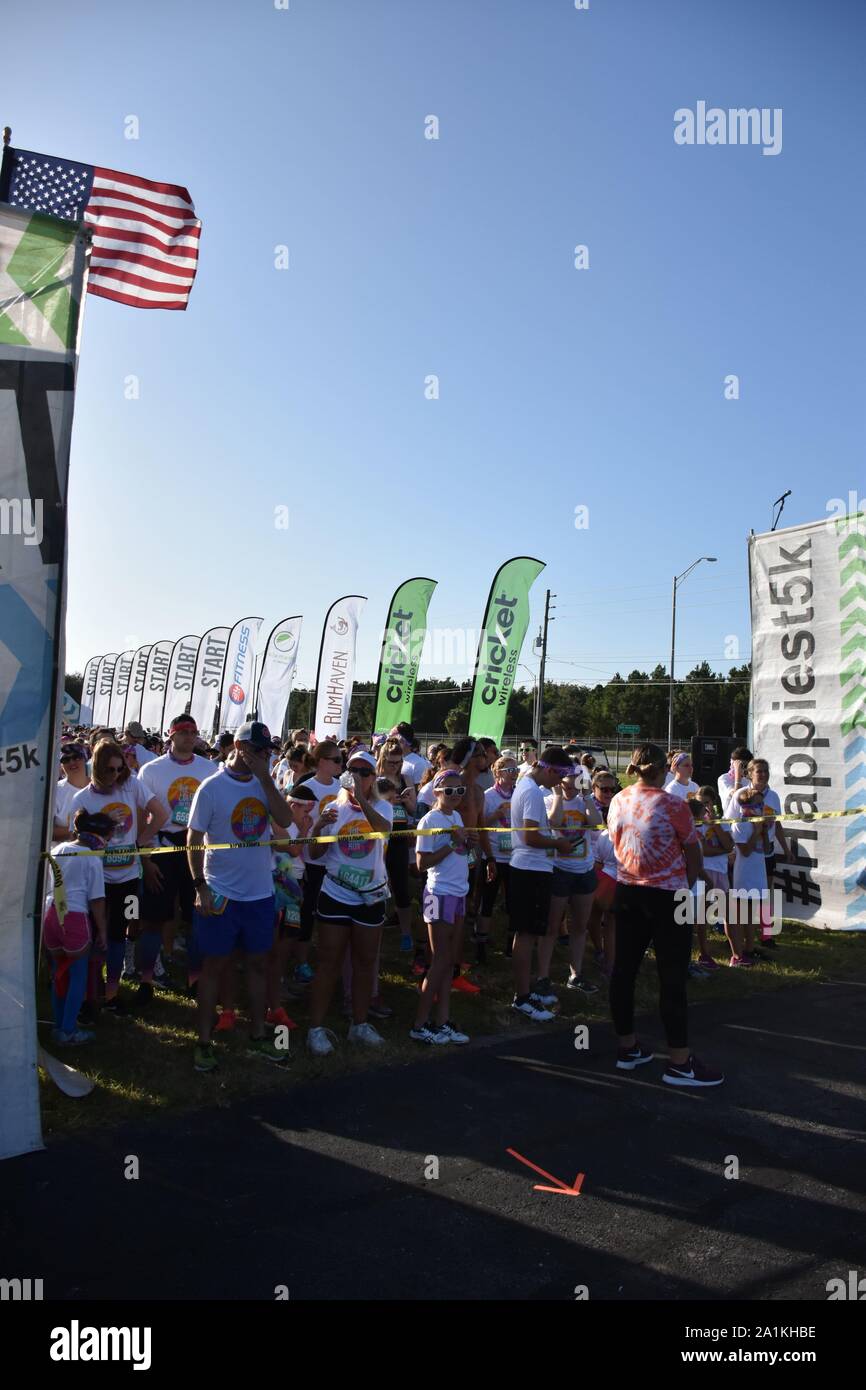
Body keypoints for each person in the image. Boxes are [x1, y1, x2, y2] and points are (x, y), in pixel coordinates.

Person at [606, 744, 723, 1087]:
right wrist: (683, 885)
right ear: (663, 771)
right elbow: (694, 855)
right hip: (668, 896)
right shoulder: (674, 805)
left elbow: (615, 843)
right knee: (672, 979)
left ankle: (627, 1048)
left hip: (627, 891)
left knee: (623, 972)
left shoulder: (618, 799)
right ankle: (679, 1062)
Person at [186, 721, 297, 1073]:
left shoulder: (266, 784)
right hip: (220, 892)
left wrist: (265, 778)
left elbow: (286, 819)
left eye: (267, 752)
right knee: (214, 967)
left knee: (259, 964)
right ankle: (203, 1043)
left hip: (260, 893)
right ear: (238, 746)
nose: (263, 757)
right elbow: (193, 840)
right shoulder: (211, 787)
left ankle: (260, 1035)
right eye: (257, 750)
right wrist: (200, 886)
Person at [305, 748, 394, 1055]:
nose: (357, 776)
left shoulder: (384, 807)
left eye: (365, 772)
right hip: (336, 892)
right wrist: (317, 829)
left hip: (370, 895)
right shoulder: (331, 807)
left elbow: (384, 831)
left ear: (374, 778)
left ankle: (359, 1024)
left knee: (365, 963)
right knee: (328, 962)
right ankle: (315, 1029)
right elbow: (314, 855)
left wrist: (361, 799)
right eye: (352, 770)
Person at [69, 740, 168, 1014]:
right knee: (92, 937)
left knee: (118, 934)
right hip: (96, 882)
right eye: (109, 770)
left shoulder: (131, 784)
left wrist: (141, 842)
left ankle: (112, 992)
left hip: (127, 878)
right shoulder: (82, 799)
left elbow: (161, 813)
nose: (115, 775)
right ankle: (90, 992)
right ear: (97, 769)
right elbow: (75, 840)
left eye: (119, 769)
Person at [136, 714, 219, 1003]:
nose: (188, 736)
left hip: (197, 849)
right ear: (170, 735)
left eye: (193, 732)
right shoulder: (151, 770)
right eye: (182, 731)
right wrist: (146, 860)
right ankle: (145, 979)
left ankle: (195, 979)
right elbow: (142, 818)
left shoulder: (210, 769)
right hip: (163, 848)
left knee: (198, 916)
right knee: (153, 919)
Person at [509, 746, 576, 1020]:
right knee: (525, 935)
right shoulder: (534, 792)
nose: (558, 783)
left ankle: (525, 991)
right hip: (530, 869)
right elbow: (530, 837)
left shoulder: (528, 786)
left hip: (530, 868)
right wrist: (558, 843)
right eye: (558, 776)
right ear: (548, 769)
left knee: (529, 934)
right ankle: (522, 997)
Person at [410, 770, 472, 1044]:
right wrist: (452, 843)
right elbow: (421, 864)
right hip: (439, 894)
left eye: (460, 791)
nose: (456, 796)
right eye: (449, 791)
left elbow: (459, 851)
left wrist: (466, 847)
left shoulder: (456, 817)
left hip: (459, 893)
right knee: (439, 962)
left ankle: (442, 1020)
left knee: (449, 963)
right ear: (436, 792)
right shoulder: (429, 820)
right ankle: (420, 1024)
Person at [43, 809, 111, 1045]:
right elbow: (97, 901)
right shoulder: (92, 859)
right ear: (101, 836)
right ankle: (68, 1030)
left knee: (58, 973)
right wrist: (102, 931)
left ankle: (59, 1024)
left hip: (51, 915)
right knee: (77, 976)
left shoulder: (58, 848)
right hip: (74, 917)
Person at [545, 763, 602, 997]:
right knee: (551, 927)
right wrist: (558, 795)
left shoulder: (584, 800)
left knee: (580, 926)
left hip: (584, 869)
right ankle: (543, 976)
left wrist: (588, 795)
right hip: (559, 868)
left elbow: (596, 823)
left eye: (574, 784)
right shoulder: (549, 799)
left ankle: (575, 974)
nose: (569, 788)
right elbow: (555, 823)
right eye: (565, 783)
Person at [294, 740, 344, 983]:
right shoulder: (306, 785)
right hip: (309, 859)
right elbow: (293, 819)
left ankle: (327, 958)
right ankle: (301, 962)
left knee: (331, 915)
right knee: (307, 912)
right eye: (336, 760)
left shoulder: (342, 787)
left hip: (335, 859)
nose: (340, 764)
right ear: (322, 761)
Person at [694, 786, 742, 966]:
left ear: (713, 803)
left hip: (721, 873)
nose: (704, 807)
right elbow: (703, 851)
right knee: (701, 916)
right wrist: (722, 849)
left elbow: (729, 845)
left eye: (706, 802)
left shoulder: (722, 822)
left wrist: (715, 826)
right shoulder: (695, 824)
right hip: (703, 873)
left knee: (730, 915)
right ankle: (704, 954)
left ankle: (737, 956)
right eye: (700, 803)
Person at [476, 754, 519, 957]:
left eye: (516, 770)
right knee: (488, 900)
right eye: (510, 770)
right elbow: (478, 825)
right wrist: (495, 816)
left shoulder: (519, 794)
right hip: (492, 856)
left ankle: (511, 946)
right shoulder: (488, 796)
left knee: (513, 902)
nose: (515, 774)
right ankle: (481, 946)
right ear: (498, 773)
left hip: (515, 858)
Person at [377, 739, 417, 951]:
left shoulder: (406, 778)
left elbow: (414, 809)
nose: (395, 766)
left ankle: (406, 934)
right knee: (378, 884)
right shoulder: (375, 779)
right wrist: (387, 802)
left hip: (400, 837)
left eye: (398, 762)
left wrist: (405, 801)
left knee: (401, 886)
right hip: (381, 838)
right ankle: (375, 927)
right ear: (383, 760)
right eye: (391, 762)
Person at [54, 744, 89, 841]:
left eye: (76, 757)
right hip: (66, 854)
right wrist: (84, 831)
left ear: (85, 759)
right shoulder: (55, 791)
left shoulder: (99, 787)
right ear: (61, 765)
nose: (72, 762)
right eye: (66, 760)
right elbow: (48, 831)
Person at [718, 745, 752, 809]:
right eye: (742, 765)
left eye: (746, 766)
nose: (744, 768)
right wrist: (737, 772)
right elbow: (736, 796)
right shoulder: (723, 778)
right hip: (731, 817)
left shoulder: (749, 779)